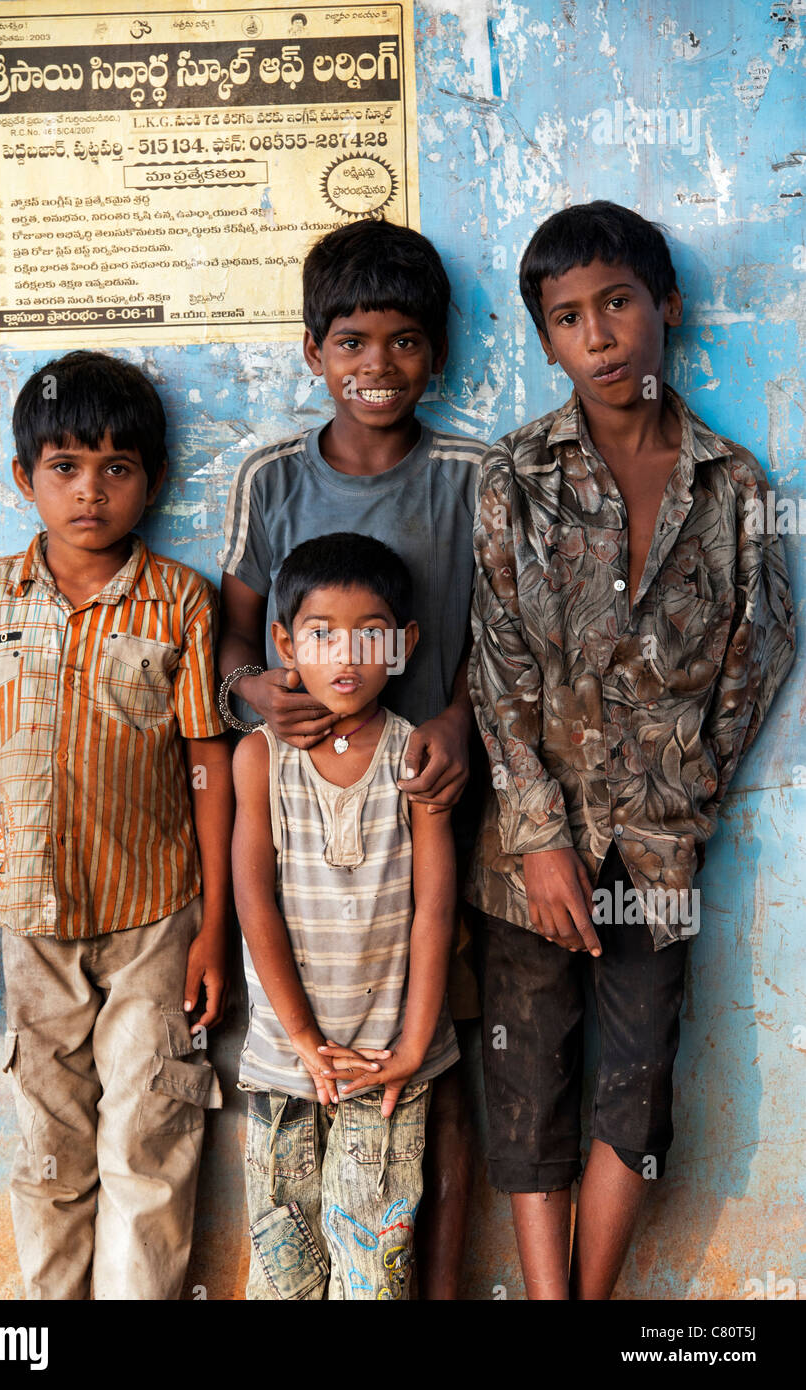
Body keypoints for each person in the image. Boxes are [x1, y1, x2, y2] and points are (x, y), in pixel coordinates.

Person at [467, 201, 796, 1300]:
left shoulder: (736, 488)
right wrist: (542, 838)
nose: (599, 335)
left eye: (617, 303)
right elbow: (498, 666)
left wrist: (686, 796)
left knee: (639, 1089)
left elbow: (764, 648)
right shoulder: (513, 477)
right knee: (527, 1082)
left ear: (666, 307)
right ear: (548, 339)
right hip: (527, 863)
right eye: (569, 317)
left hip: (656, 865)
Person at [0, 350, 234, 1300]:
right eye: (64, 468)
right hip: (28, 921)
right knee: (52, 1154)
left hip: (156, 920)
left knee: (150, 1145)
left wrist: (212, 928)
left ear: (152, 482)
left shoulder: (179, 601)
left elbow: (207, 767)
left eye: (116, 469)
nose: (89, 491)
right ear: (26, 480)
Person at [217, 218, 487, 1297]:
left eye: (406, 342)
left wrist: (459, 723)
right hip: (305, 810)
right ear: (312, 350)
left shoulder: (473, 474)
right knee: (308, 1075)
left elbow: (507, 636)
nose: (379, 367)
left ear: (437, 351)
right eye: (353, 342)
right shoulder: (271, 478)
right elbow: (236, 636)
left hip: (433, 801)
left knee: (431, 1072)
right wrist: (254, 694)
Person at [232, 532, 460, 1300]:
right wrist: (301, 1037)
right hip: (282, 1062)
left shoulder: (413, 757)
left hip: (387, 1063)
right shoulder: (259, 758)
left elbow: (434, 910)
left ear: (403, 645)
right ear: (284, 643)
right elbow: (251, 902)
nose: (346, 652)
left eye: (370, 632)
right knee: (281, 1260)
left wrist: (414, 1040)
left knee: (374, 1257)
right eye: (322, 633)